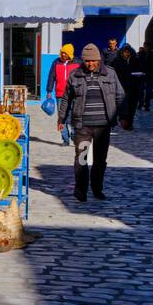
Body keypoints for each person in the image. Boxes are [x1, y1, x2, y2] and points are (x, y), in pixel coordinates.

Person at [59, 43, 127, 202]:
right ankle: (80, 190)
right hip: (82, 126)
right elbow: (66, 99)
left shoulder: (110, 74)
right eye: (87, 61)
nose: (90, 64)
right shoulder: (75, 75)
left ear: (99, 60)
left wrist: (123, 116)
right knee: (81, 158)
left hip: (103, 127)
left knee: (99, 160)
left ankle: (97, 189)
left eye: (93, 61)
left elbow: (120, 96)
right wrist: (61, 118)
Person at [45, 44, 80, 145]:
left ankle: (74, 135)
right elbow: (51, 77)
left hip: (74, 94)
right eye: (62, 52)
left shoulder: (78, 63)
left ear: (70, 53)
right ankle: (65, 139)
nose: (63, 54)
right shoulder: (56, 62)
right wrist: (49, 91)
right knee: (62, 116)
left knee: (74, 115)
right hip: (60, 94)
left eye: (65, 53)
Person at [111, 44, 140, 129]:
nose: (126, 53)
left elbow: (141, 70)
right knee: (122, 105)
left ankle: (130, 123)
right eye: (124, 52)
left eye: (128, 52)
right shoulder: (116, 61)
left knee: (132, 106)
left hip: (134, 87)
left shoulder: (136, 61)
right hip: (121, 87)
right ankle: (123, 120)